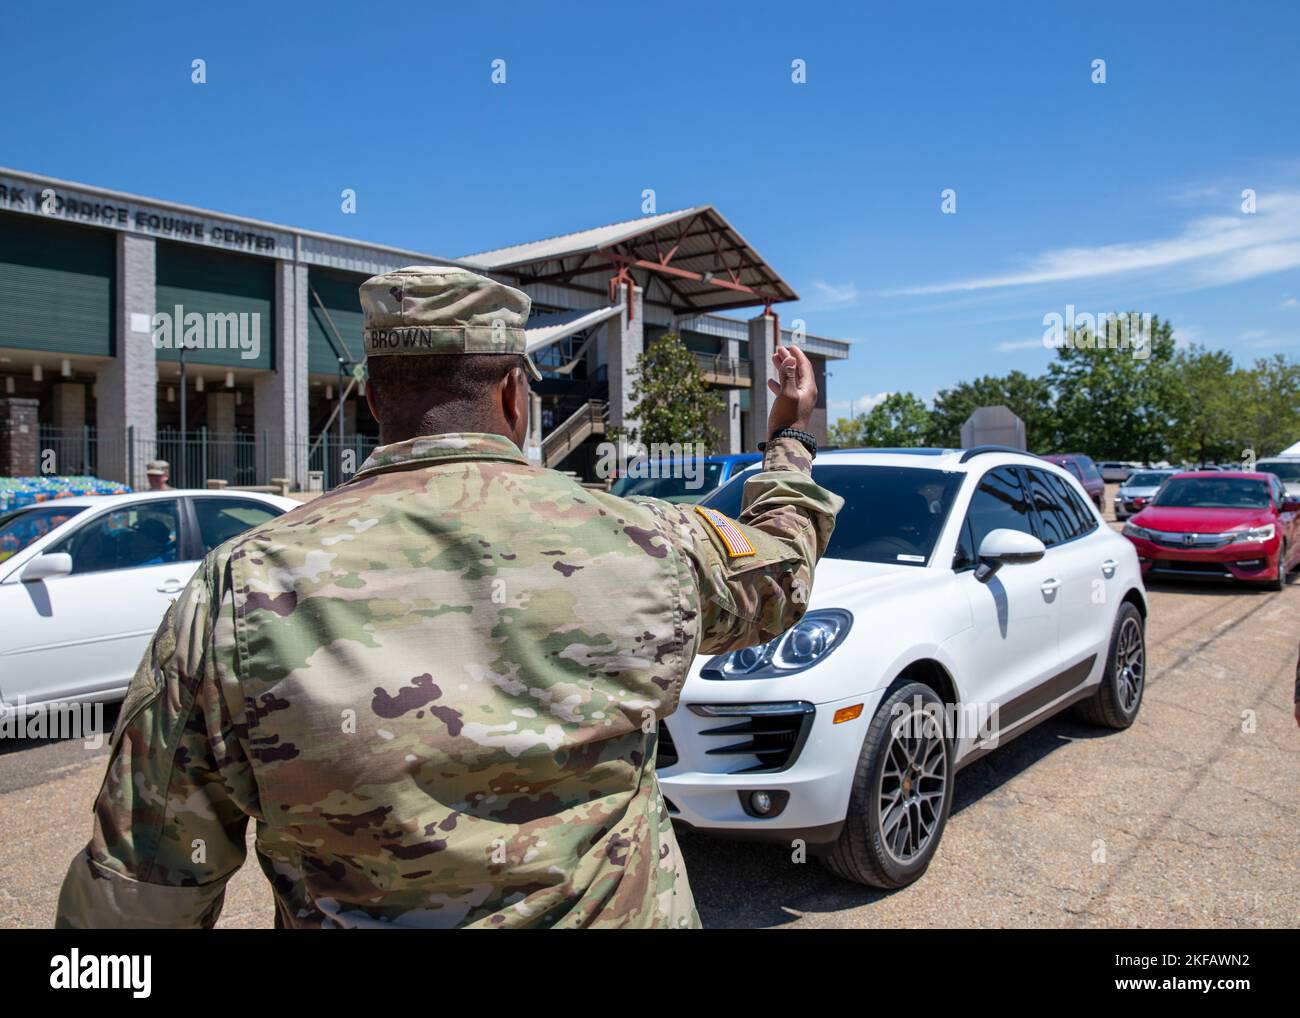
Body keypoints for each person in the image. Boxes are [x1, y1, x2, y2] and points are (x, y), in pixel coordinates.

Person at [56, 266, 842, 929]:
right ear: (513, 395)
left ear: (372, 399)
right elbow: (780, 574)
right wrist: (790, 439)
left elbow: (142, 887)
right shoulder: (645, 542)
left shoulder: (239, 587)